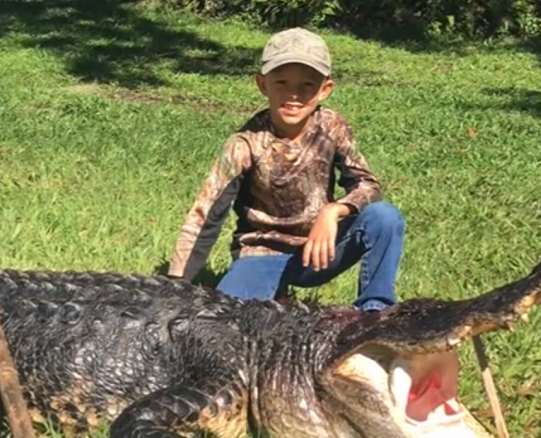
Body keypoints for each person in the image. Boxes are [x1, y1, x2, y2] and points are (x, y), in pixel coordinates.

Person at [166, 27, 407, 312]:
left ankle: (375, 313)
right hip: (260, 254)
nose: (293, 95)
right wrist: (175, 287)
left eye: (307, 85)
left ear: (325, 89)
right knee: (227, 321)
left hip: (318, 250)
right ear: (262, 84)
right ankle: (267, 290)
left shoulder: (332, 127)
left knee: (384, 217)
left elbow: (368, 185)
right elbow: (205, 217)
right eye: (281, 82)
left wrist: (334, 211)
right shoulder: (244, 145)